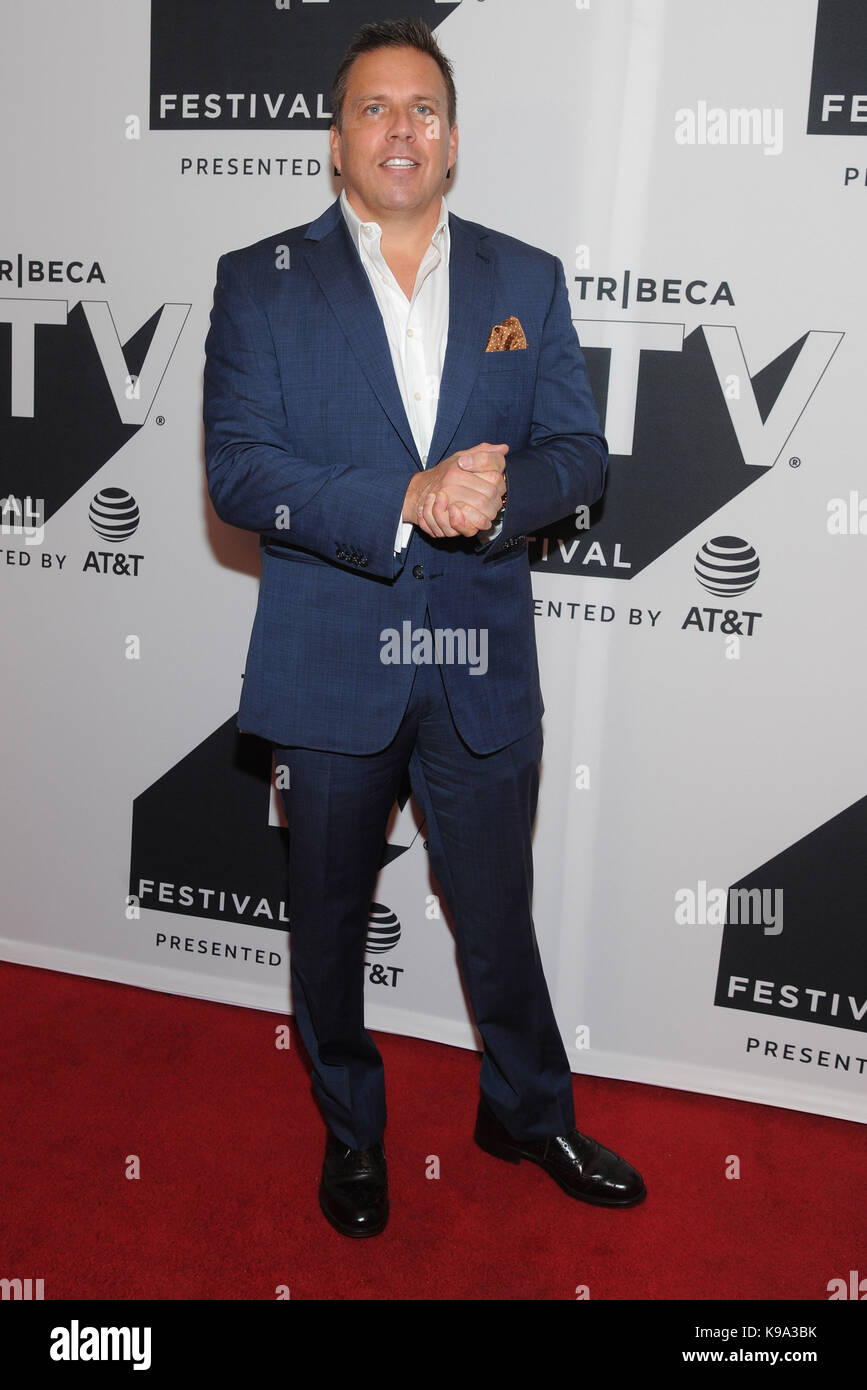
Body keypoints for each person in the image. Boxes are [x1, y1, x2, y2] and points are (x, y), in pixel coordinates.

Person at [203, 17, 645, 1238]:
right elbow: (241, 474)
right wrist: (407, 497)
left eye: (425, 110)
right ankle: (353, 1131)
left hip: (478, 661)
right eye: (375, 108)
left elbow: (579, 451)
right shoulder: (260, 282)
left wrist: (508, 494)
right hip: (328, 660)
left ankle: (526, 1109)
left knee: (497, 908)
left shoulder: (525, 278)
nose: (402, 128)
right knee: (330, 919)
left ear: (452, 144)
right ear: (335, 141)